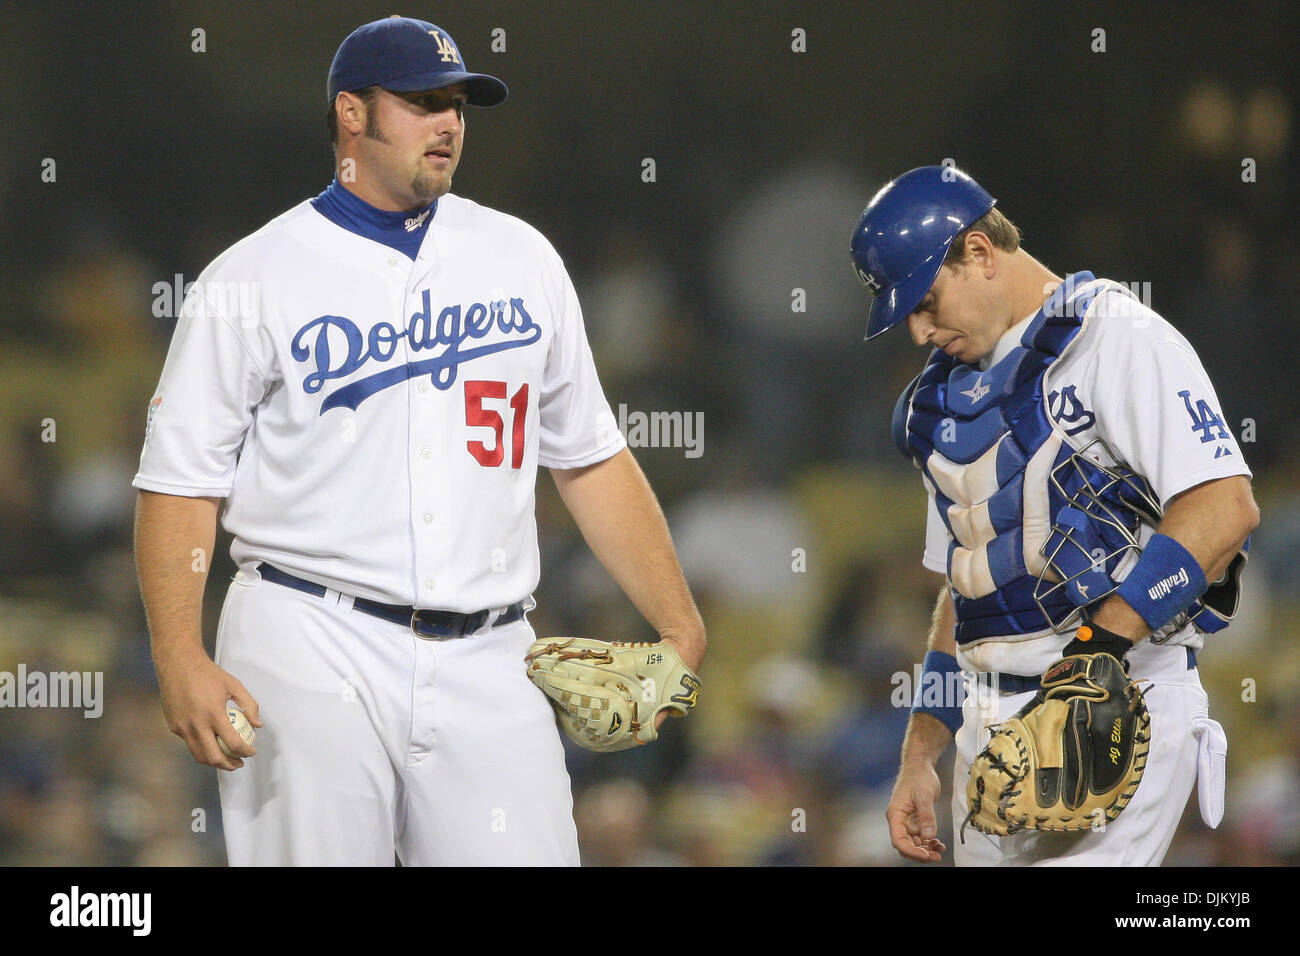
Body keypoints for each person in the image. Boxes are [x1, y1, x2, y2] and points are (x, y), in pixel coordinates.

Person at [132, 16, 706, 866]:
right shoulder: (252, 276)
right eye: (424, 102)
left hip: (493, 650)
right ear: (352, 115)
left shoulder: (521, 257)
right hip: (308, 637)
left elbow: (588, 455)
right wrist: (178, 653)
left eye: (460, 105)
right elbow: (179, 482)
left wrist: (679, 623)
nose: (450, 122)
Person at [849, 165, 1258, 866]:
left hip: (1115, 708)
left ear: (979, 252)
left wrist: (1102, 648)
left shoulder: (1119, 338)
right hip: (989, 731)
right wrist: (924, 746)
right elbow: (966, 579)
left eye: (925, 300)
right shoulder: (944, 402)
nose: (917, 330)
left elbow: (1224, 508)